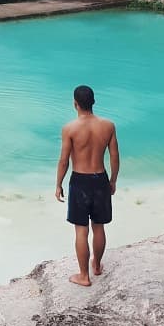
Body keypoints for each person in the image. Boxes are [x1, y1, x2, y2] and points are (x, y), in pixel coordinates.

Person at [55, 84, 120, 287]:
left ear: (75, 104)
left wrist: (58, 184)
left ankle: (84, 276)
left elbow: (64, 160)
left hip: (80, 182)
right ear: (93, 102)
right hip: (100, 179)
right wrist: (113, 180)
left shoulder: (70, 129)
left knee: (81, 231)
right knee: (98, 226)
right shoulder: (108, 126)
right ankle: (97, 266)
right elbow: (115, 156)